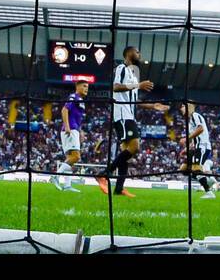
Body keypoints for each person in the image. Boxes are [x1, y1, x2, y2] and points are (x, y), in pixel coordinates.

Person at [96, 46, 168, 197]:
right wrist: (138, 85)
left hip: (129, 114)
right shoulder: (121, 68)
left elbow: (135, 101)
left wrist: (152, 106)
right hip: (122, 115)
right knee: (135, 147)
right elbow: (115, 88)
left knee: (125, 152)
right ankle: (103, 174)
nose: (139, 54)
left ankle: (119, 188)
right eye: (137, 51)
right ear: (128, 53)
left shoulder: (133, 76)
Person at [53, 79, 88, 191]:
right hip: (70, 130)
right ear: (77, 87)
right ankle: (55, 176)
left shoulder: (80, 100)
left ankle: (67, 185)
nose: (86, 88)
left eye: (87, 86)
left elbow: (77, 117)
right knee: (76, 157)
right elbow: (64, 110)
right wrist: (67, 126)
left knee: (70, 158)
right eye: (84, 86)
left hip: (74, 129)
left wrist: (80, 131)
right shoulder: (74, 97)